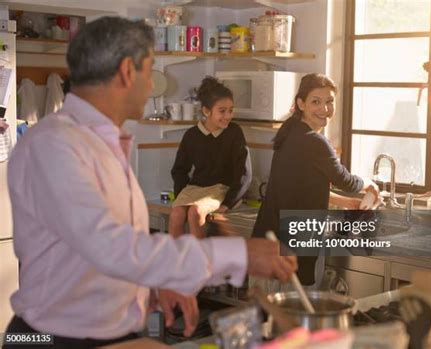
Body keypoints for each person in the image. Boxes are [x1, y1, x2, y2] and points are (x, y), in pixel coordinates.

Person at [3, 17, 297, 349]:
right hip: (45, 339)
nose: (152, 84)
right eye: (150, 70)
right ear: (128, 71)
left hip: (102, 332)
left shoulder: (101, 142)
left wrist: (151, 283)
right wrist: (239, 253)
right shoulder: (56, 144)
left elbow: (100, 250)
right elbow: (111, 247)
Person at [252, 73, 379, 286]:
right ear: (301, 103)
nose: (325, 109)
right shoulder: (314, 141)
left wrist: (347, 203)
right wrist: (370, 183)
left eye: (329, 102)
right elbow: (345, 180)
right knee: (292, 315)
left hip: (269, 239)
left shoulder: (291, 131)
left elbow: (302, 186)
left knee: (269, 315)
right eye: (316, 102)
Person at [169, 77, 251, 238]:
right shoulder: (192, 135)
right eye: (222, 111)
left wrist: (228, 203)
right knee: (176, 214)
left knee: (195, 213)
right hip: (195, 188)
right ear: (206, 111)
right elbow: (179, 170)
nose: (228, 115)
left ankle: (201, 262)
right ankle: (176, 260)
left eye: (230, 110)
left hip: (222, 189)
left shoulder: (234, 133)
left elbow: (244, 174)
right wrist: (181, 196)